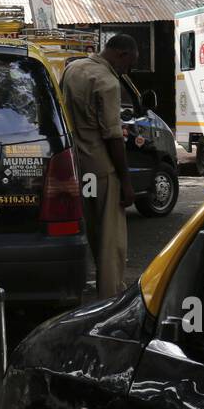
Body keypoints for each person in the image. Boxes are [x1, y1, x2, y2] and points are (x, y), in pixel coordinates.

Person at [60, 34, 139, 298]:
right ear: (122, 54)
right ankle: (110, 296)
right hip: (101, 168)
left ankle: (76, 291)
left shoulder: (72, 69)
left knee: (87, 229)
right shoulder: (107, 82)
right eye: (129, 63)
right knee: (110, 240)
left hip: (76, 166)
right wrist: (126, 181)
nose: (127, 70)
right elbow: (113, 136)